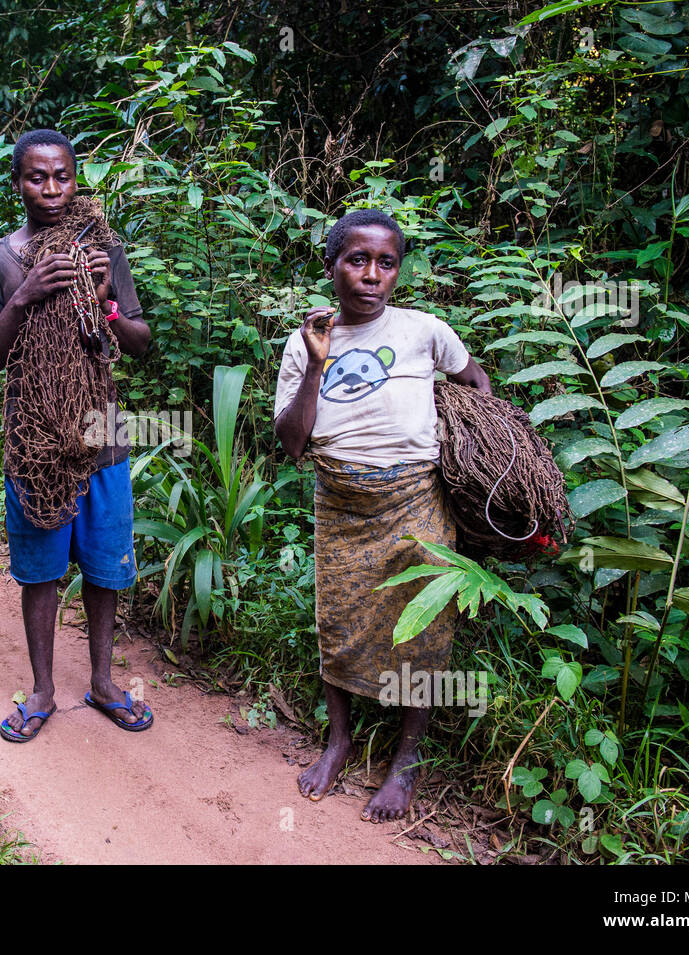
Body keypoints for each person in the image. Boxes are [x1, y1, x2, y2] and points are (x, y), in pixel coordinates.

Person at [273, 209, 492, 822]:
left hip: (416, 501)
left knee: (423, 629)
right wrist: (318, 362)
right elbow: (293, 443)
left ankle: (406, 762)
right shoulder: (303, 342)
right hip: (341, 502)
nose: (371, 274)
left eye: (385, 262)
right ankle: (338, 742)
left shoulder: (425, 331)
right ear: (332, 265)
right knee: (338, 621)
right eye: (357, 260)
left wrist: (474, 446)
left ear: (398, 270)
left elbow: (474, 380)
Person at [0, 129, 153, 741]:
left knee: (105, 566)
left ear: (77, 179)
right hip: (34, 438)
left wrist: (105, 303)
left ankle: (101, 681)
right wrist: (23, 297)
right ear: (16, 183)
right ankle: (42, 690)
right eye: (36, 177)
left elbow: (140, 344)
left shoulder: (103, 250)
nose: (51, 189)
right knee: (41, 571)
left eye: (62, 176)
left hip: (102, 433)